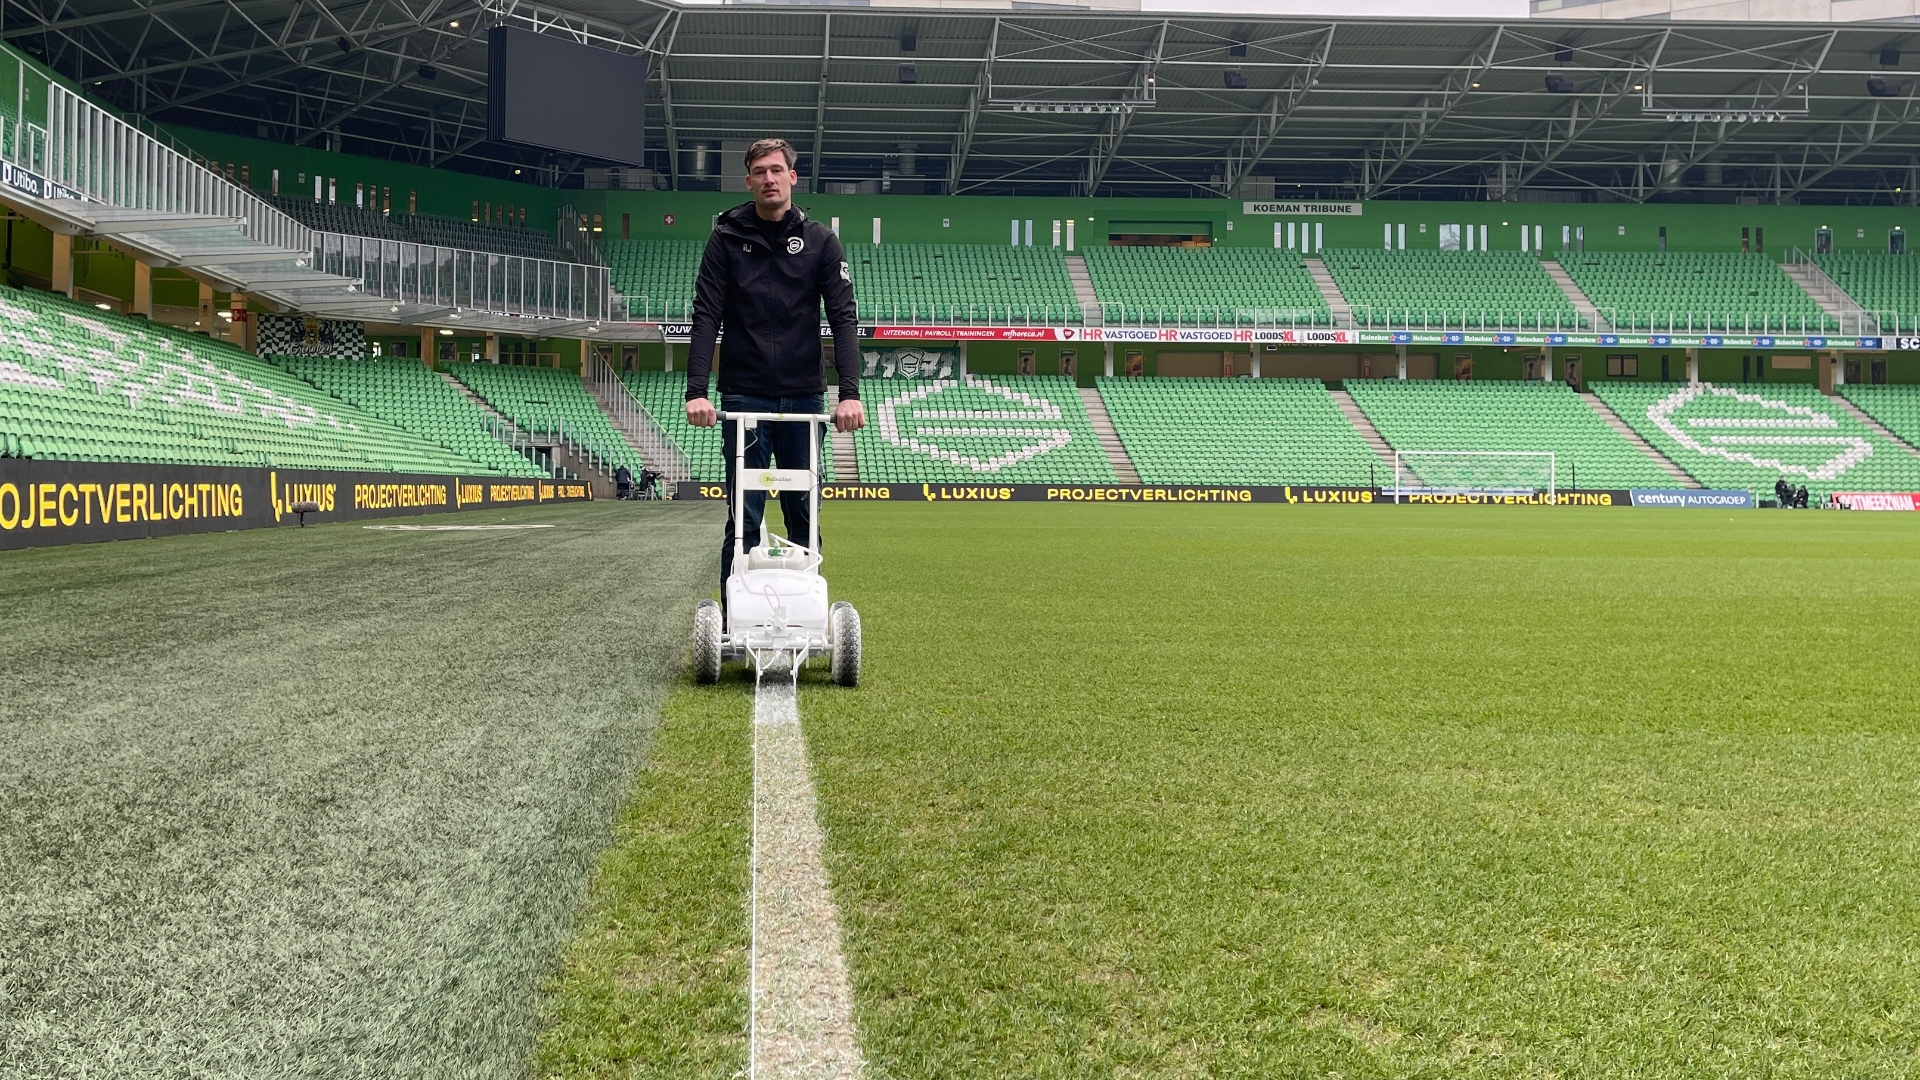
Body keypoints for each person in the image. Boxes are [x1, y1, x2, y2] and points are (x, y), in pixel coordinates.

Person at [684, 137, 863, 592]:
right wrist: (696, 391)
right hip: (744, 395)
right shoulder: (725, 238)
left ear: (792, 177)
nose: (769, 178)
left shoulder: (821, 241)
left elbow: (843, 318)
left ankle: (802, 611)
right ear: (748, 180)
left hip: (804, 394)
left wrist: (849, 394)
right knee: (743, 515)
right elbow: (706, 315)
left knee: (803, 513)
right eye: (760, 171)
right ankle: (732, 624)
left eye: (776, 170)